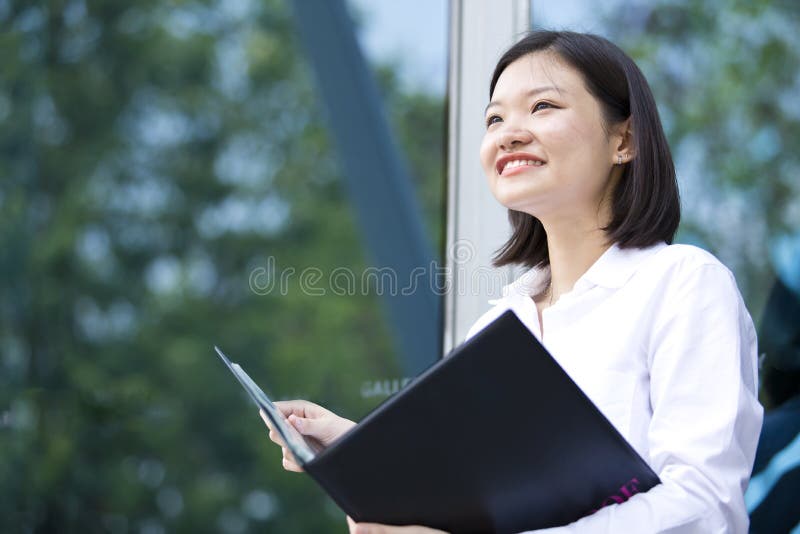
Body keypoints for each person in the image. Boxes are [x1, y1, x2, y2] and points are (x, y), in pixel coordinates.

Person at [261, 30, 763, 533]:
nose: (509, 133)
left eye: (542, 106)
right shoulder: (498, 326)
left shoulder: (683, 284)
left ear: (624, 140)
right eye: (495, 118)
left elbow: (705, 507)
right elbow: (471, 501)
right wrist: (361, 456)